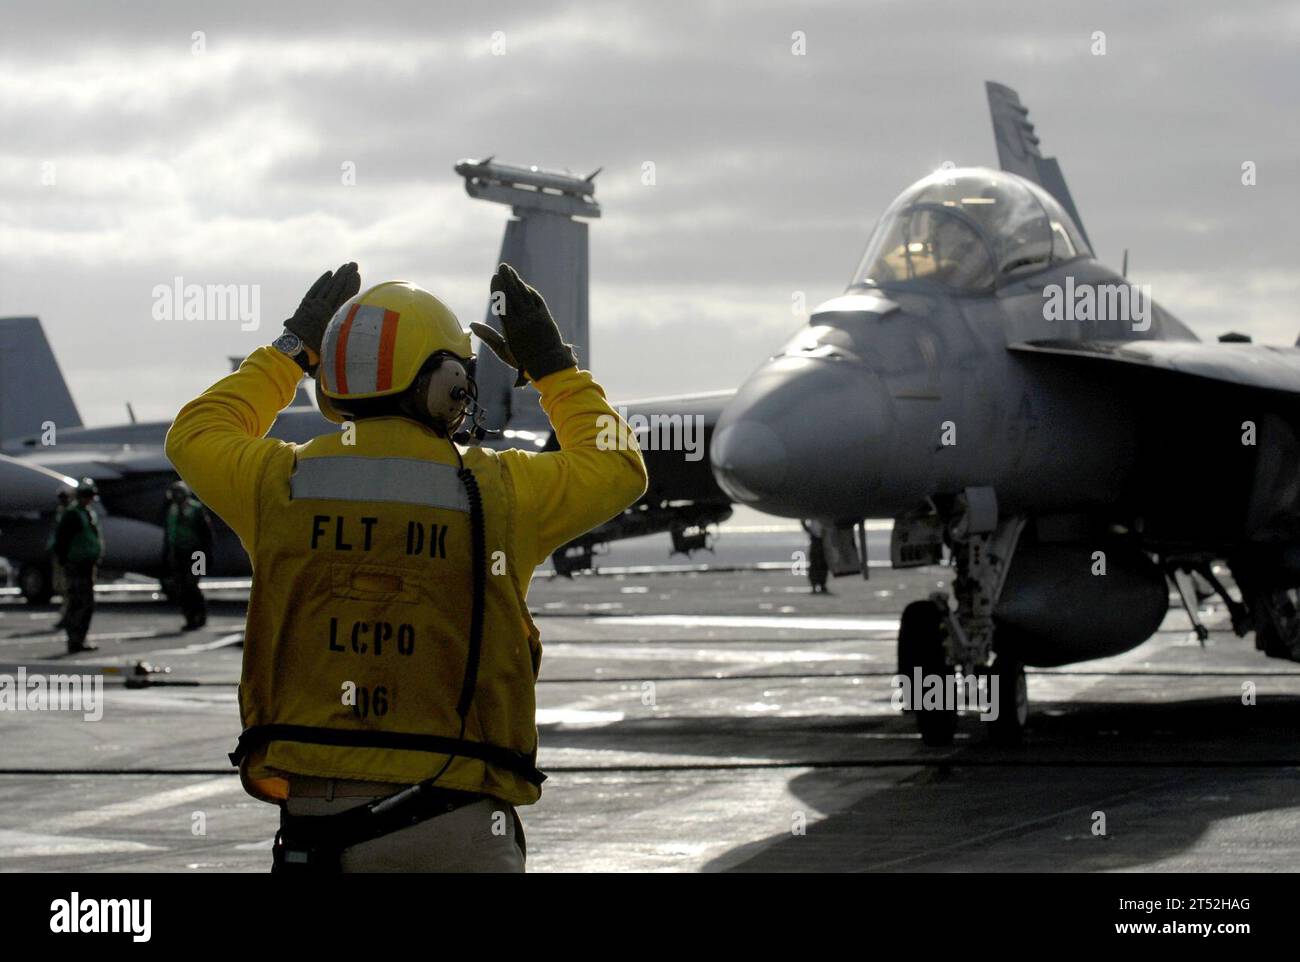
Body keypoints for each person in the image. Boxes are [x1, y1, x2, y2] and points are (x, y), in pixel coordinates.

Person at [165, 262, 646, 872]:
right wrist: (555, 369)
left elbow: (196, 431)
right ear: (447, 383)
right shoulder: (496, 490)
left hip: (316, 828)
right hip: (454, 823)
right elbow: (619, 467)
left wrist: (292, 348)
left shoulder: (278, 483)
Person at [53, 479, 104, 654]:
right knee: (78, 603)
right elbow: (62, 540)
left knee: (86, 604)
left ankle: (79, 639)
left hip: (87, 564)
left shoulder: (87, 513)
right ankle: (74, 640)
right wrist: (65, 561)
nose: (88, 499)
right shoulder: (73, 514)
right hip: (76, 565)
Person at [163, 480, 213, 630]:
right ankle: (190, 618)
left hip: (197, 553)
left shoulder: (196, 509)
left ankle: (200, 615)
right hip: (178, 553)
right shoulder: (171, 510)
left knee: (192, 585)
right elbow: (169, 533)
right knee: (181, 587)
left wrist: (206, 556)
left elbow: (207, 535)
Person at [46, 489, 73, 628]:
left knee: (66, 586)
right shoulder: (63, 512)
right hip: (61, 553)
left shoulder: (70, 513)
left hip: (66, 554)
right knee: (60, 586)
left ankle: (67, 615)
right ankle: (66, 614)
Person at [801, 519, 830, 594]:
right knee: (815, 564)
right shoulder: (814, 515)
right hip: (816, 540)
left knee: (822, 564)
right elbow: (803, 522)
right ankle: (815, 585)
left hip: (822, 539)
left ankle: (821, 585)